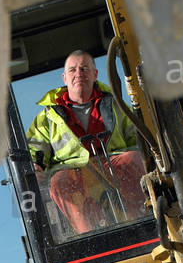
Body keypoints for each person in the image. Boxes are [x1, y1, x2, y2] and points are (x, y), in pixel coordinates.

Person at [26, 50, 146, 234]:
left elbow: (137, 136)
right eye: (73, 70)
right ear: (65, 78)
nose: (78, 74)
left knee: (134, 159)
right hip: (74, 173)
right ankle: (90, 236)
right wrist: (35, 166)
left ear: (95, 74)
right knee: (59, 182)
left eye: (84, 68)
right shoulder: (47, 118)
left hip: (113, 164)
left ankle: (141, 223)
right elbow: (35, 148)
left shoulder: (115, 105)